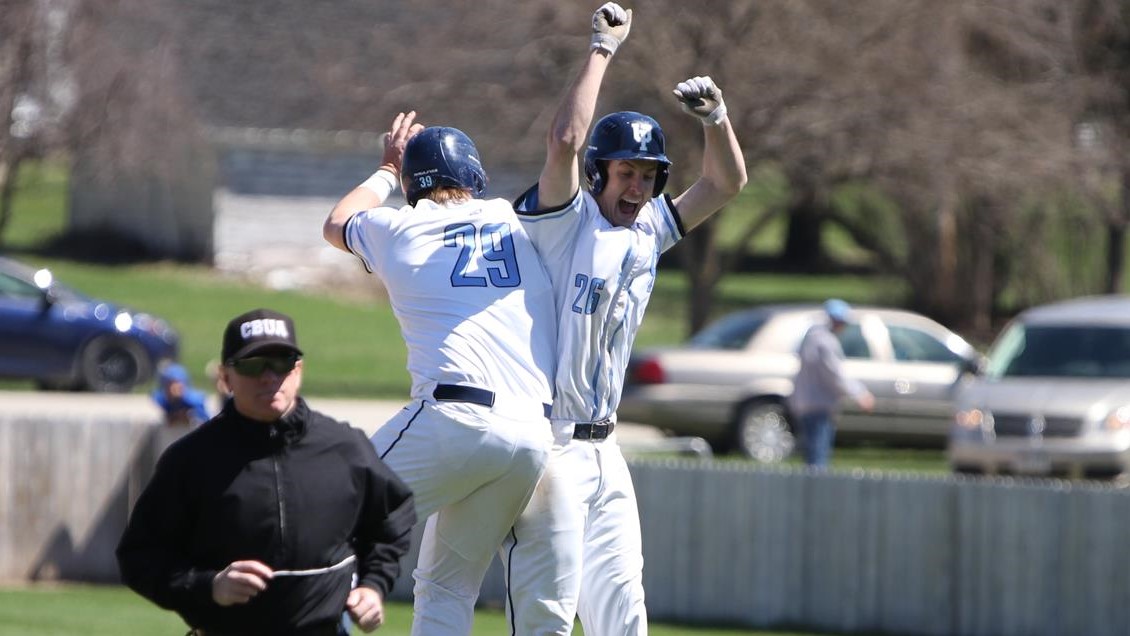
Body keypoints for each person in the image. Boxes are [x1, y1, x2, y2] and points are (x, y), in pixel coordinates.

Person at [498, 3, 749, 634]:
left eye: (648, 175)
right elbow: (563, 139)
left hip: (605, 447)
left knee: (625, 616)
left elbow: (725, 183)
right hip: (550, 445)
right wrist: (601, 49)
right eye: (625, 172)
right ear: (598, 173)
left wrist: (717, 120)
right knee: (546, 618)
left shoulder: (648, 233)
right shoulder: (564, 223)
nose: (636, 186)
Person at [322, 113, 557, 635]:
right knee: (448, 585)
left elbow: (337, 222)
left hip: (455, 418)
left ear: (411, 187)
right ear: (474, 178)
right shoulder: (515, 219)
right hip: (531, 437)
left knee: (325, 520)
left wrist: (385, 168)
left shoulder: (399, 226)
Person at [117, 308, 416, 636]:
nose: (269, 376)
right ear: (226, 377)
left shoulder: (345, 448)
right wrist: (208, 586)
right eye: (253, 364)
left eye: (282, 363)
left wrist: (373, 585)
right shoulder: (191, 460)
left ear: (298, 371)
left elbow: (393, 518)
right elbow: (140, 557)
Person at [787, 299, 876, 467]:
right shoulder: (824, 342)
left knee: (811, 456)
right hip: (818, 406)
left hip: (806, 404)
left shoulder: (811, 337)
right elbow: (836, 375)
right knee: (817, 459)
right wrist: (860, 394)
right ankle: (815, 492)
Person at [151, 362, 211, 427]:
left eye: (178, 383)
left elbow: (204, 419)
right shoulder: (160, 400)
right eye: (172, 384)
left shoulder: (194, 402)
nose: (176, 387)